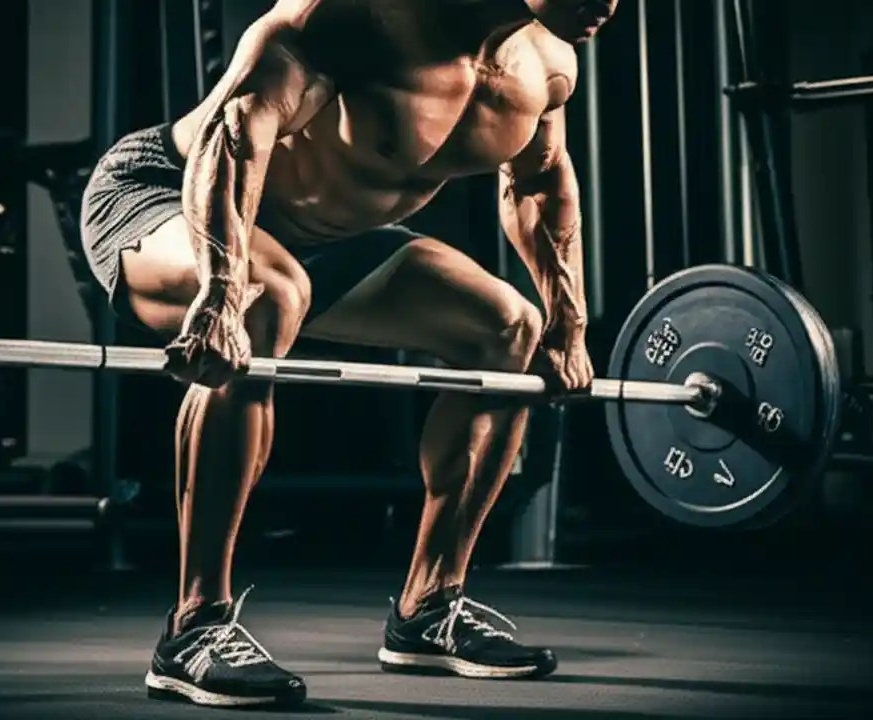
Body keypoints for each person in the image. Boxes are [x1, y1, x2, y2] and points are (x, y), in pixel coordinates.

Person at [81, 0, 617, 708]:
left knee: (508, 328)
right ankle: (194, 627)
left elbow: (540, 184)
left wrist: (567, 321)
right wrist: (219, 291)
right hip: (166, 196)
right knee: (267, 295)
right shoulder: (352, 19)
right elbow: (235, 135)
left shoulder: (547, 65)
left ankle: (430, 607)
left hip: (328, 244)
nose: (608, 4)